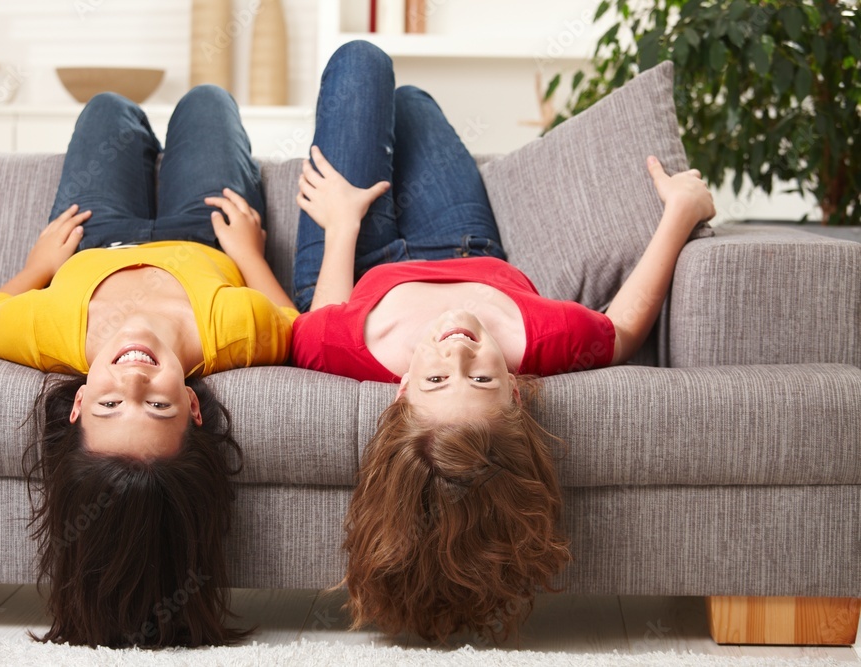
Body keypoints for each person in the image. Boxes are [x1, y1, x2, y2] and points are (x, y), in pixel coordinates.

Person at [291, 41, 715, 643]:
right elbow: (621, 332)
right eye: (481, 377)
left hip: (354, 252)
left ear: (402, 390)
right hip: (463, 242)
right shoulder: (543, 339)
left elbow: (323, 310)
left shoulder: (353, 348)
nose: (458, 350)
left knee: (363, 63)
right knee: (411, 103)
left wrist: (343, 224)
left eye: (438, 379)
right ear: (515, 392)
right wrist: (678, 214)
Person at [0, 85, 298, 647]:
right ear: (193, 405)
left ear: (78, 404)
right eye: (157, 404)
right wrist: (251, 256)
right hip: (206, 234)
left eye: (111, 404)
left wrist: (38, 265)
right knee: (207, 101)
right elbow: (293, 324)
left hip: (94, 238)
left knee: (109, 108)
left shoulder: (52, 334)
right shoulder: (228, 332)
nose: (134, 378)